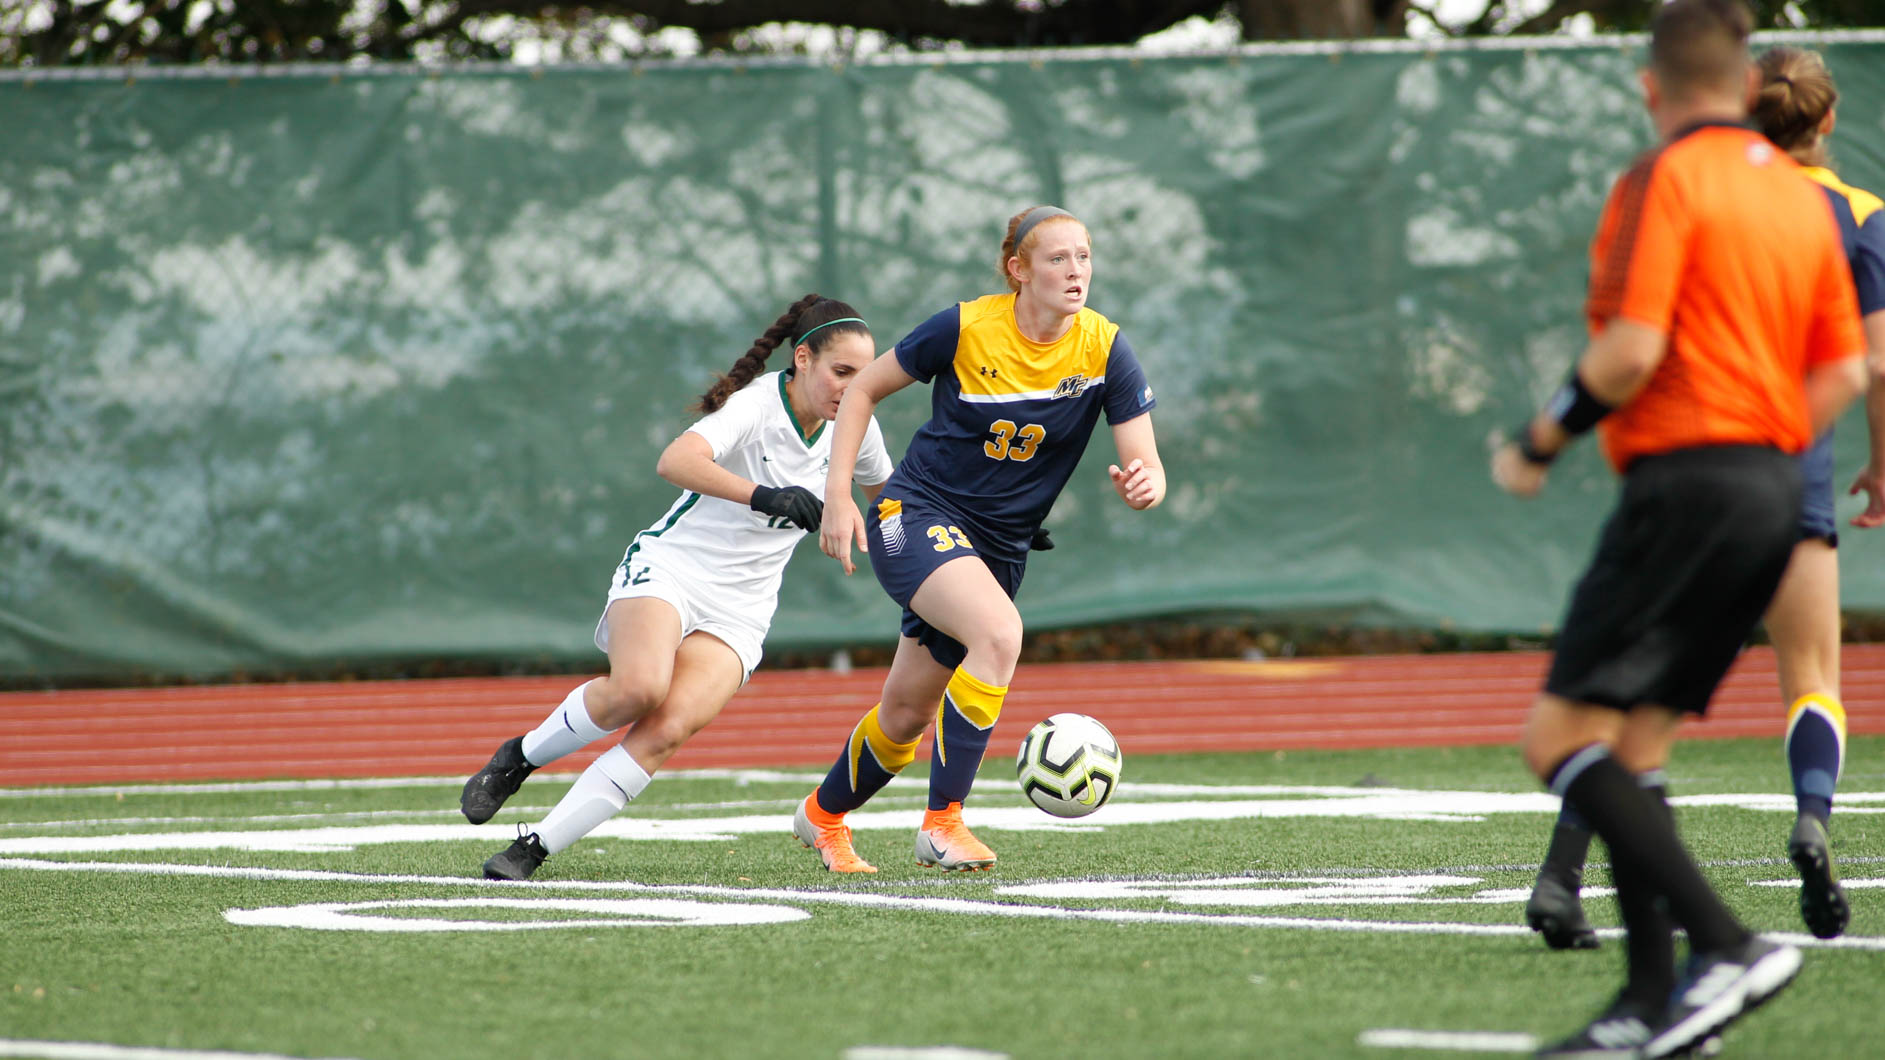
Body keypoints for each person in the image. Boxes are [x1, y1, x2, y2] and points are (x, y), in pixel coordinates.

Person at [1489, 2, 1867, 1056]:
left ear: (1651, 88)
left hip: (1686, 484)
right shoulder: (1805, 200)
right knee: (1634, 745)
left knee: (1556, 740)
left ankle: (1726, 943)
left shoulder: (1663, 178)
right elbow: (1843, 369)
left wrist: (1538, 439)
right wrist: (1762, 446)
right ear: (1745, 85)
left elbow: (1629, 347)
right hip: (1775, 489)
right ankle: (1647, 1006)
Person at [459, 294, 894, 881]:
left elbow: (894, 502)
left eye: (862, 377)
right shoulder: (758, 405)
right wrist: (764, 495)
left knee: (667, 729)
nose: (851, 387)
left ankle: (531, 850)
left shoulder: (856, 427)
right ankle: (519, 757)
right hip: (673, 569)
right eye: (841, 372)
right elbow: (675, 459)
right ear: (802, 360)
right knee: (638, 690)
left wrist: (991, 526)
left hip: (742, 609)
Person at [790, 205, 1164, 874]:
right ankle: (942, 825)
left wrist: (1144, 483)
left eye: (1083, 256)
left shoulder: (1105, 347)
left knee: (905, 716)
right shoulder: (965, 327)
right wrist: (840, 495)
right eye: (1056, 258)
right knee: (999, 635)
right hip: (914, 515)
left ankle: (821, 816)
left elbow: (1146, 461)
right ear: (1017, 270)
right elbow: (862, 391)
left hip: (998, 548)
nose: (1074, 270)